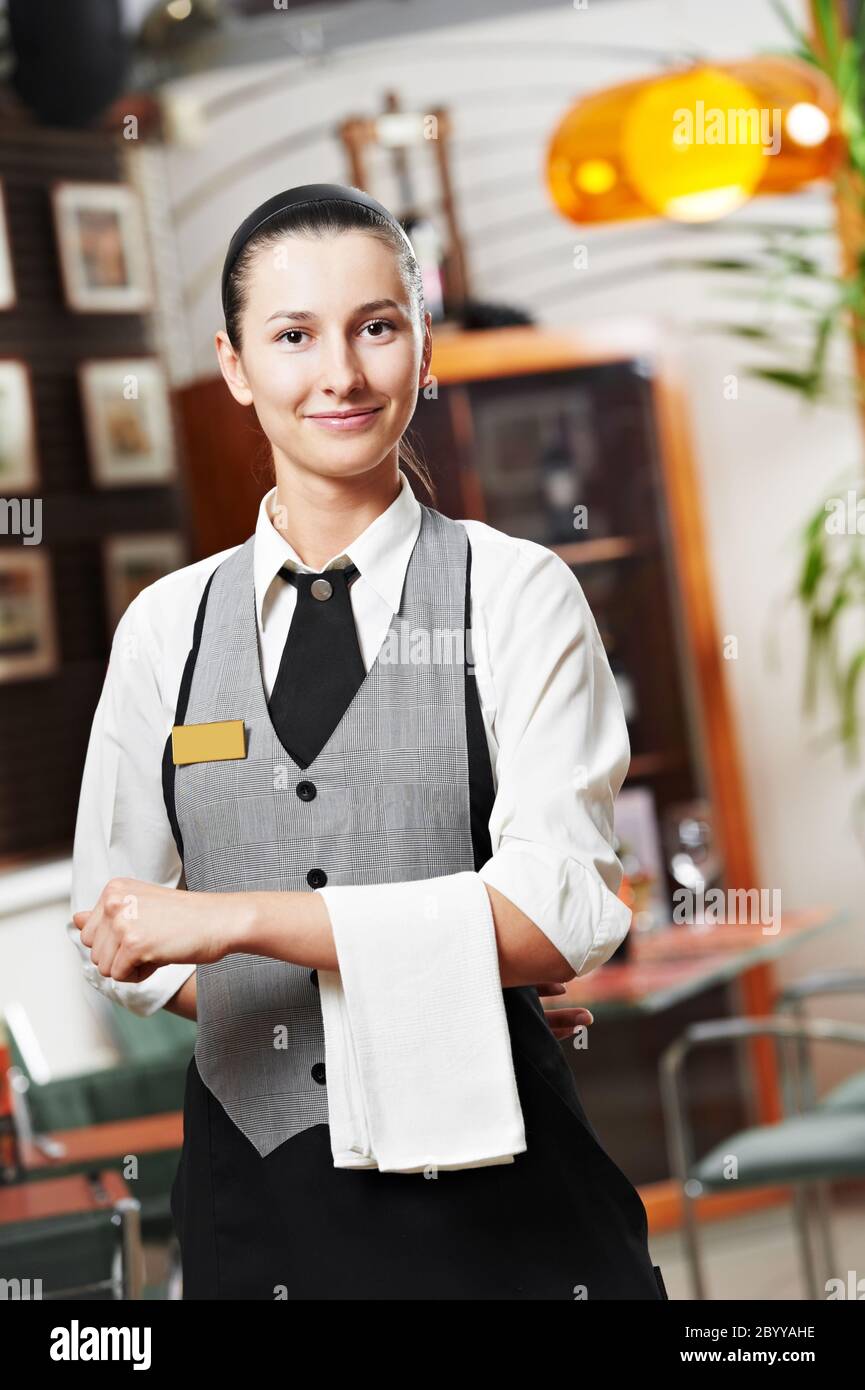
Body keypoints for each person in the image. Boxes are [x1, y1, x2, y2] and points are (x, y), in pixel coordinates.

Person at [69, 182, 668, 1301]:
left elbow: (559, 915)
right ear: (236, 365)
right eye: (293, 336)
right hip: (255, 1207)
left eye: (376, 327)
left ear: (421, 346)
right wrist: (432, 979)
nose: (339, 374)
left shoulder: (517, 593)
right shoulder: (164, 627)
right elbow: (119, 928)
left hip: (502, 1209)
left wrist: (241, 919)